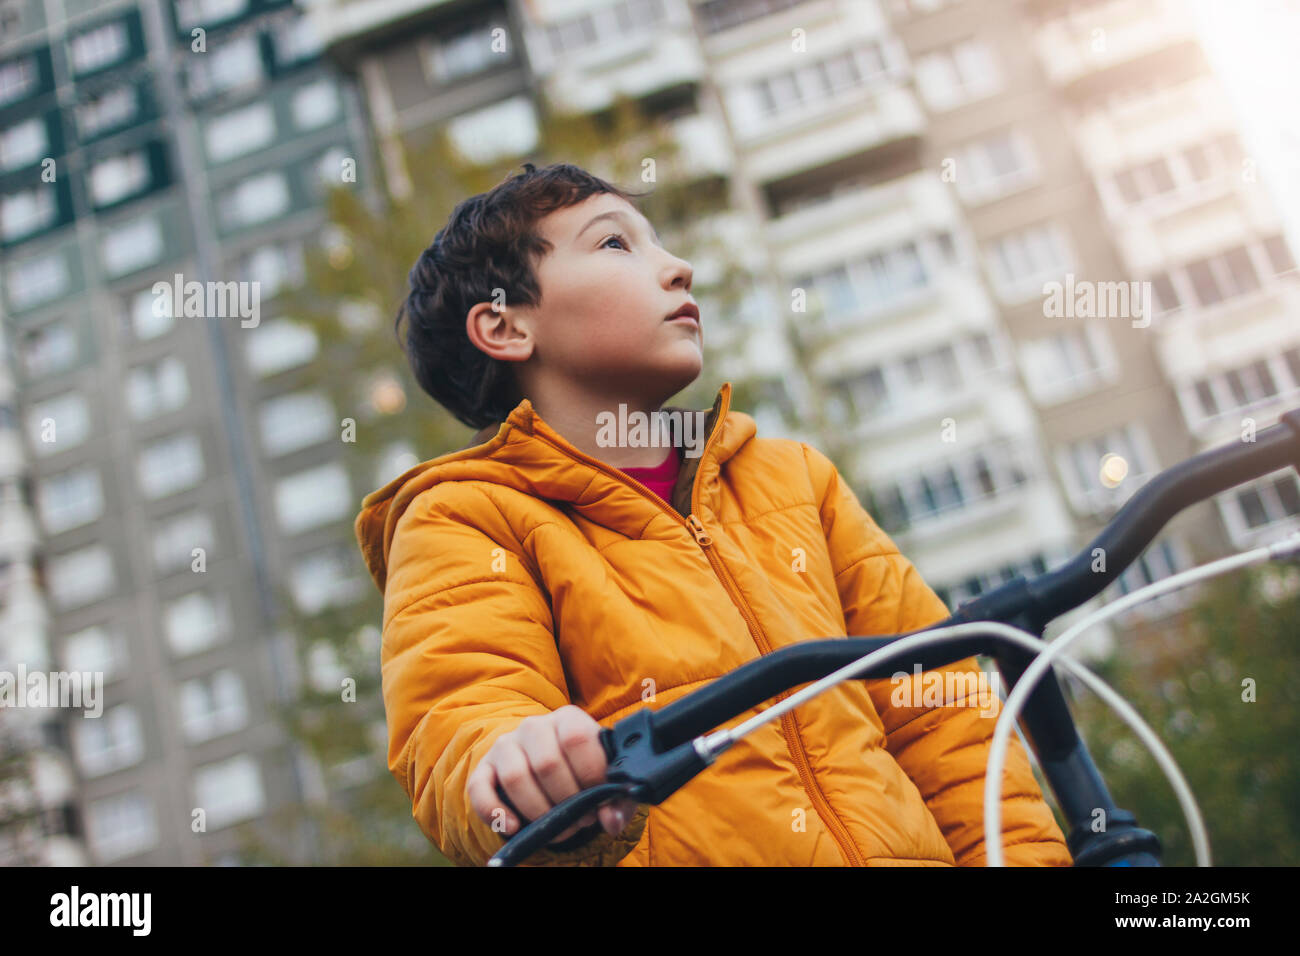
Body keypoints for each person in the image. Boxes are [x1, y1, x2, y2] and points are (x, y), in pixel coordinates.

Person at [353, 161, 1072, 867]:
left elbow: (941, 711)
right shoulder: (465, 519)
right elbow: (466, 709)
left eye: (660, 242)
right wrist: (520, 772)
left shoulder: (790, 479)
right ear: (506, 327)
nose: (679, 268)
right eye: (614, 244)